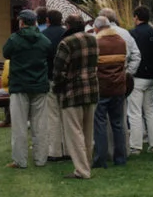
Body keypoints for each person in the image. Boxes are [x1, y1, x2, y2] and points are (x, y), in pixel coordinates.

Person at [2, 9, 55, 169]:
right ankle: (41, 159)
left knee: (19, 125)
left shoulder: (14, 39)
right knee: (40, 125)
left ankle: (20, 160)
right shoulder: (44, 40)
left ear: (22, 22)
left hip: (19, 86)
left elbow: (6, 53)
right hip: (39, 85)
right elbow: (50, 56)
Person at [53, 14, 100, 179]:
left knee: (75, 133)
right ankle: (87, 165)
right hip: (92, 90)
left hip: (72, 92)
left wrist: (58, 86)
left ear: (68, 25)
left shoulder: (66, 43)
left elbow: (58, 71)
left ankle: (82, 170)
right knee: (88, 133)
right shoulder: (94, 40)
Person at [92, 16, 129, 169]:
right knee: (118, 123)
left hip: (102, 86)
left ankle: (101, 158)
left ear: (97, 28)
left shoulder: (96, 42)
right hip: (119, 87)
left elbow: (93, 66)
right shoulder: (121, 41)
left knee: (100, 123)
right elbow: (124, 63)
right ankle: (120, 157)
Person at [128, 5, 153, 155]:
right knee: (150, 110)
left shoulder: (133, 34)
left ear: (136, 17)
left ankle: (136, 145)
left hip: (138, 77)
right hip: (152, 77)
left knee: (134, 112)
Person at [42, 9, 70, 162]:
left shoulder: (44, 35)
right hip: (67, 79)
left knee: (53, 115)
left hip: (50, 77)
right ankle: (68, 149)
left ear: (47, 20)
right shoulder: (68, 34)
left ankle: (54, 150)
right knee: (67, 114)